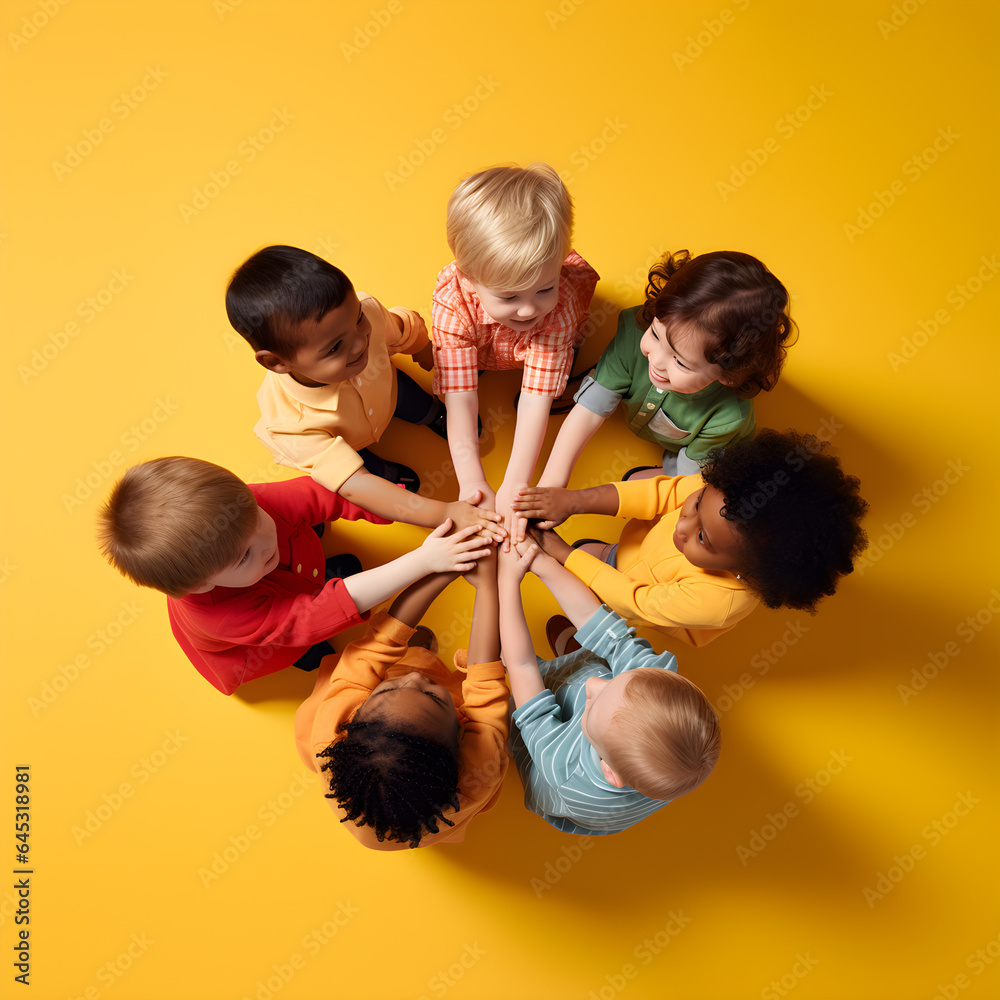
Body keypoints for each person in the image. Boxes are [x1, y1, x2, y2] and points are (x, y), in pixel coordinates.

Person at [97, 457, 491, 694]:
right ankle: (310, 646)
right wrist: (424, 560)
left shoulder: (246, 510)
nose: (266, 539)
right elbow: (314, 616)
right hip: (261, 644)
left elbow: (337, 493)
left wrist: (435, 512)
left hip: (290, 582)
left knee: (309, 542)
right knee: (308, 644)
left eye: (258, 515)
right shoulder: (220, 614)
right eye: (244, 555)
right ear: (203, 585)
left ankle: (318, 575)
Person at [226, 245, 504, 540]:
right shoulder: (287, 426)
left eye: (358, 320)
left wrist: (426, 351)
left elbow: (404, 328)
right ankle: (390, 475)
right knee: (371, 475)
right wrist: (442, 514)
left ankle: (435, 414)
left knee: (413, 400)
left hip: (389, 392)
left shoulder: (364, 310)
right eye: (335, 347)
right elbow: (353, 483)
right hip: (348, 441)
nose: (360, 343)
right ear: (277, 362)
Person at [513, 429, 869, 649]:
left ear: (747, 571)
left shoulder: (716, 601)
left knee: (597, 610)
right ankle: (609, 553)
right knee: (644, 490)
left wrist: (562, 553)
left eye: (702, 537)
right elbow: (662, 495)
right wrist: (574, 501)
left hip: (640, 599)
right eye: (697, 503)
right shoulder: (726, 496)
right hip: (636, 552)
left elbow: (634, 600)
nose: (681, 528)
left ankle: (580, 651)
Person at [498, 540, 720, 835]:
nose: (593, 683)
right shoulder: (653, 679)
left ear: (609, 771)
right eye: (613, 682)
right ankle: (572, 662)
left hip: (550, 768)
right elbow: (607, 630)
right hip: (605, 744)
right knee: (599, 658)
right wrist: (540, 561)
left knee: (512, 667)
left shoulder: (566, 769)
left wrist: (506, 584)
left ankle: (555, 668)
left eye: (592, 704)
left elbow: (521, 666)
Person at [431, 163, 599, 546]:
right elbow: (460, 399)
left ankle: (561, 352)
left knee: (554, 363)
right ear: (470, 279)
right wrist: (472, 480)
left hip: (543, 348)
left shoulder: (559, 309)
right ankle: (486, 355)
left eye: (545, 287)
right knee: (463, 376)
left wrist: (516, 483)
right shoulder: (453, 304)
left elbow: (535, 399)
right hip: (484, 345)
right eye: (509, 297)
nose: (528, 310)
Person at [295, 550, 508, 850]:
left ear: (353, 720)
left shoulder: (331, 729)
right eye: (432, 696)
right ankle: (417, 659)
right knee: (497, 715)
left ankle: (418, 655)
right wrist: (489, 586)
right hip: (443, 774)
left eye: (386, 689)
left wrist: (443, 566)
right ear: (460, 739)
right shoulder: (476, 774)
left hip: (359, 746)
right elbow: (487, 683)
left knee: (397, 662)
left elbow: (380, 641)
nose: (415, 678)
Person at [536, 250, 794, 489]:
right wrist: (551, 485)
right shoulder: (633, 332)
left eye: (680, 362)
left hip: (697, 462)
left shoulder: (727, 419)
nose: (657, 360)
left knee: (691, 491)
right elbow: (589, 411)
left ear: (728, 373)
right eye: (656, 335)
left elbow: (686, 482)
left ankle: (663, 472)